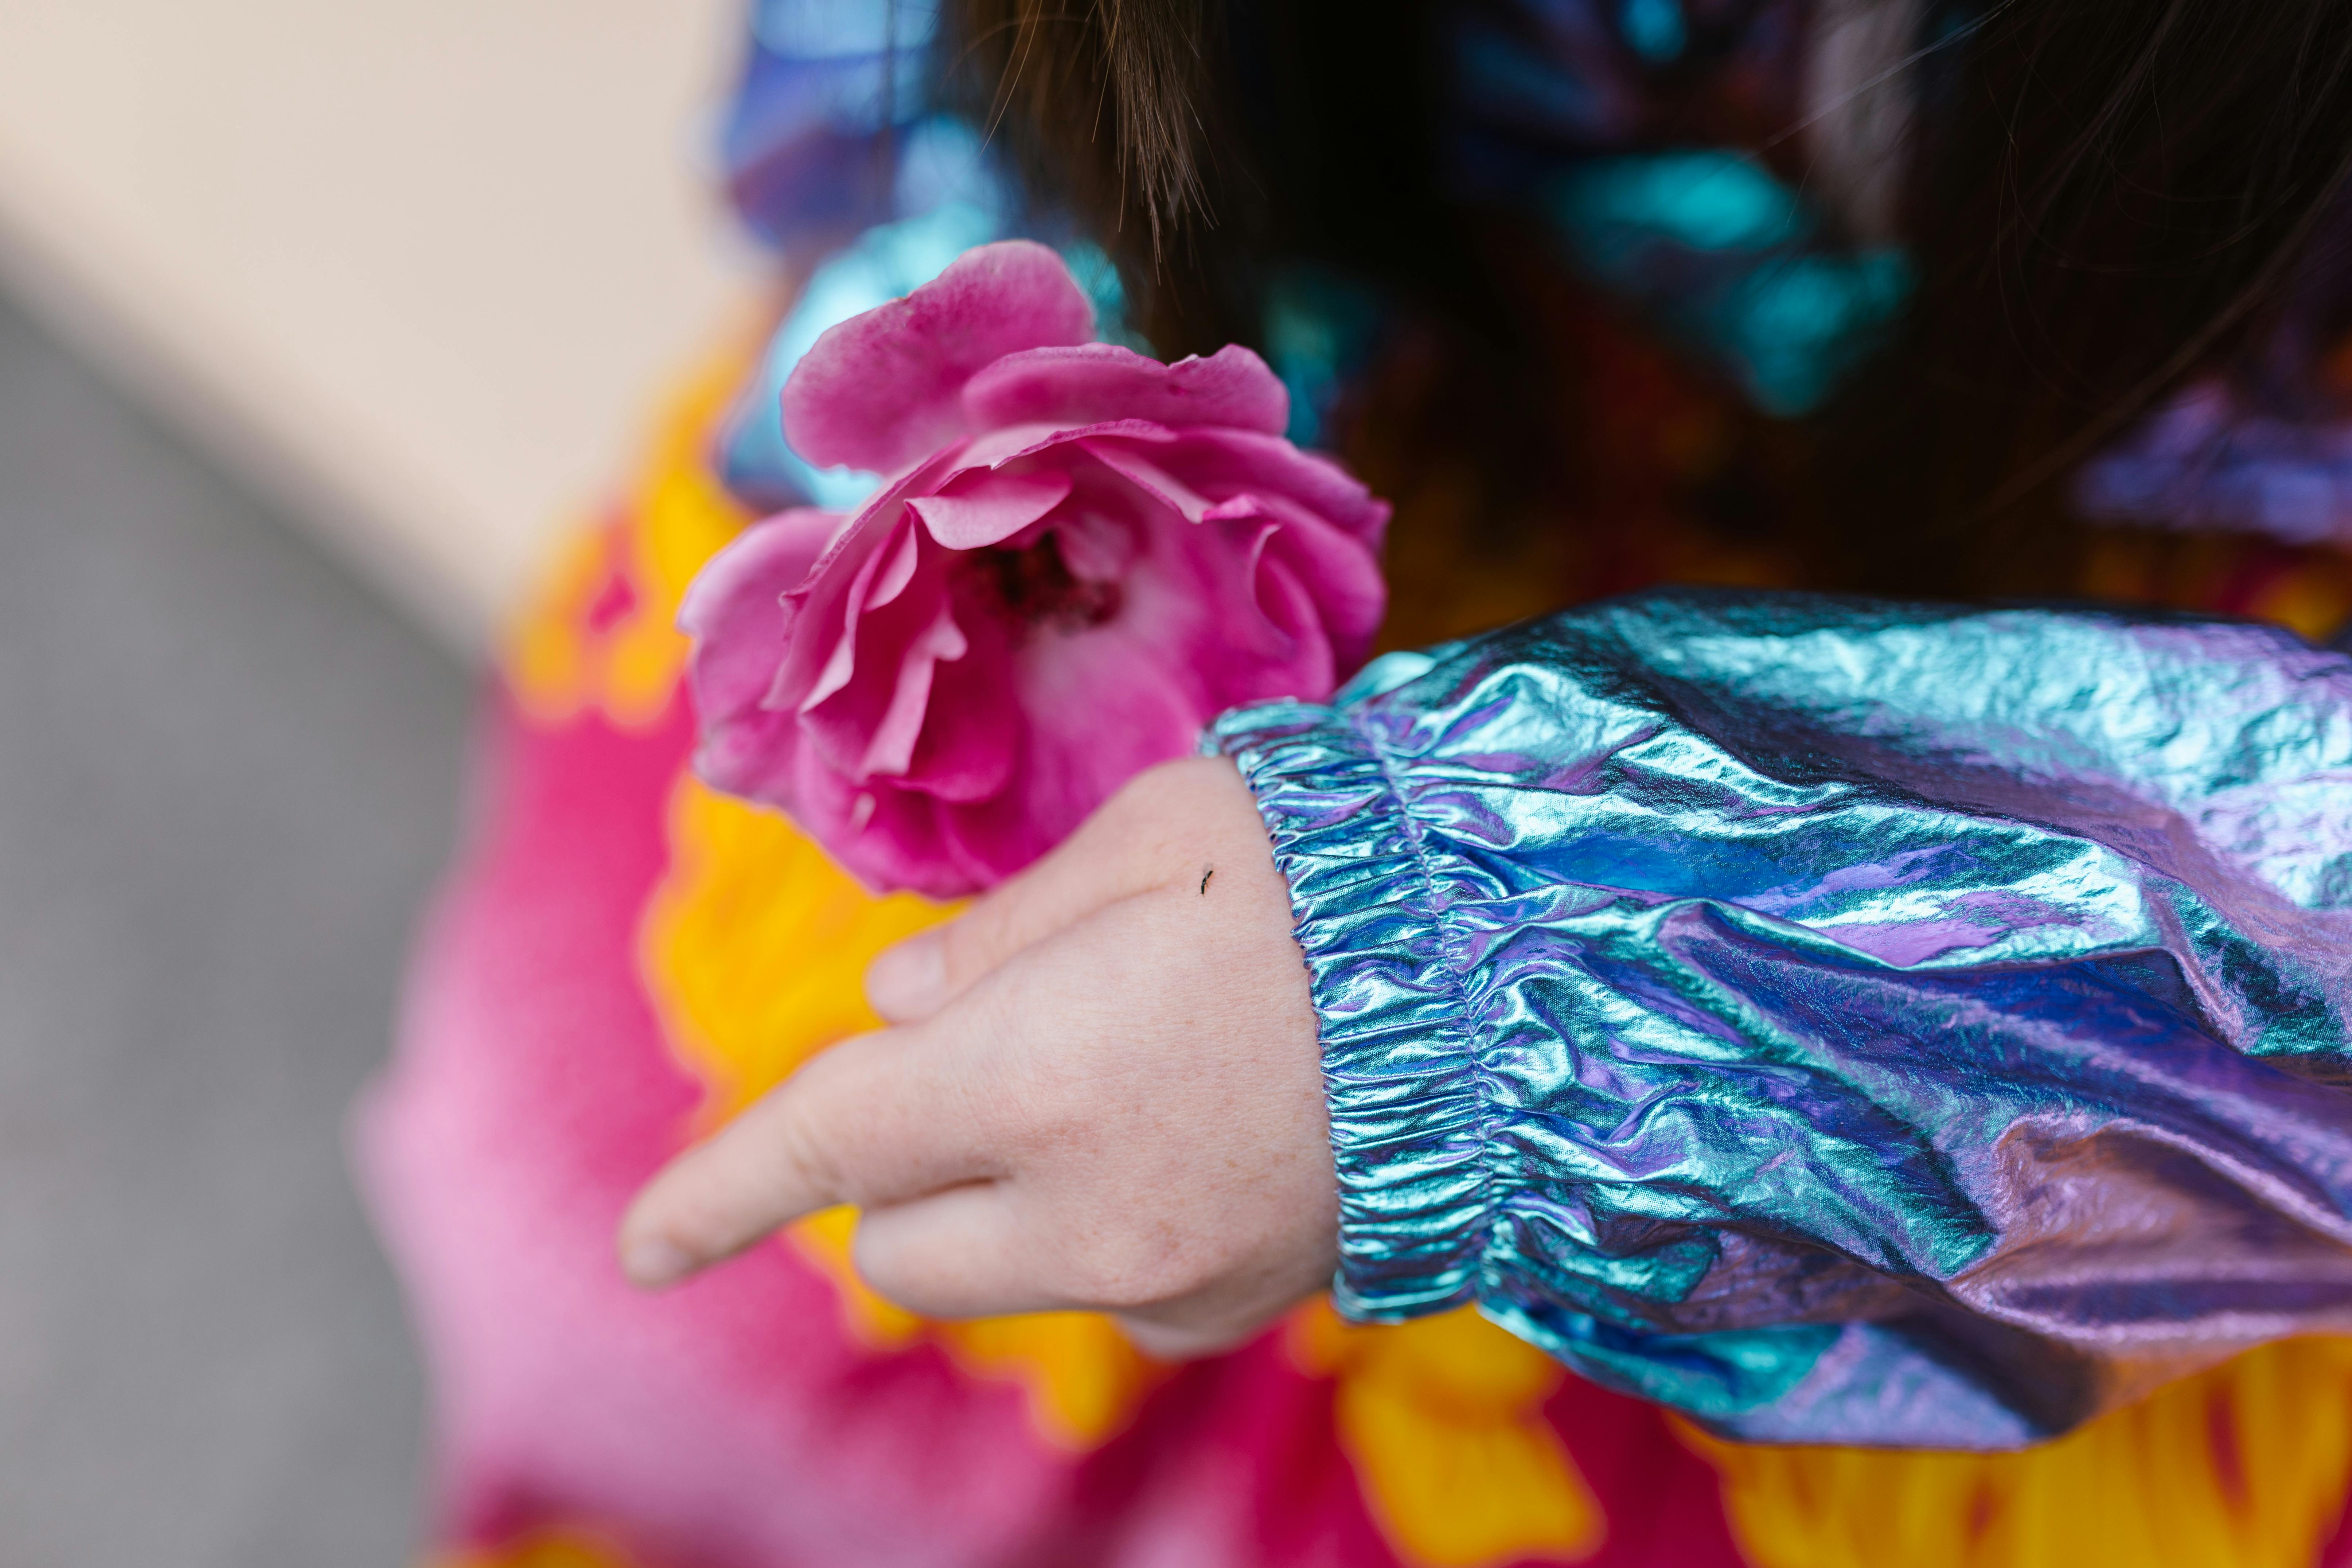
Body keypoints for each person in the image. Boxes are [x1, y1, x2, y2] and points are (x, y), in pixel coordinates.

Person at [360, 2, 2352, 1564]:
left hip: (2170, 856)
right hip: (1342, 310)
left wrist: (1532, 977)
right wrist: (1036, 331)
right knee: (632, 1205)